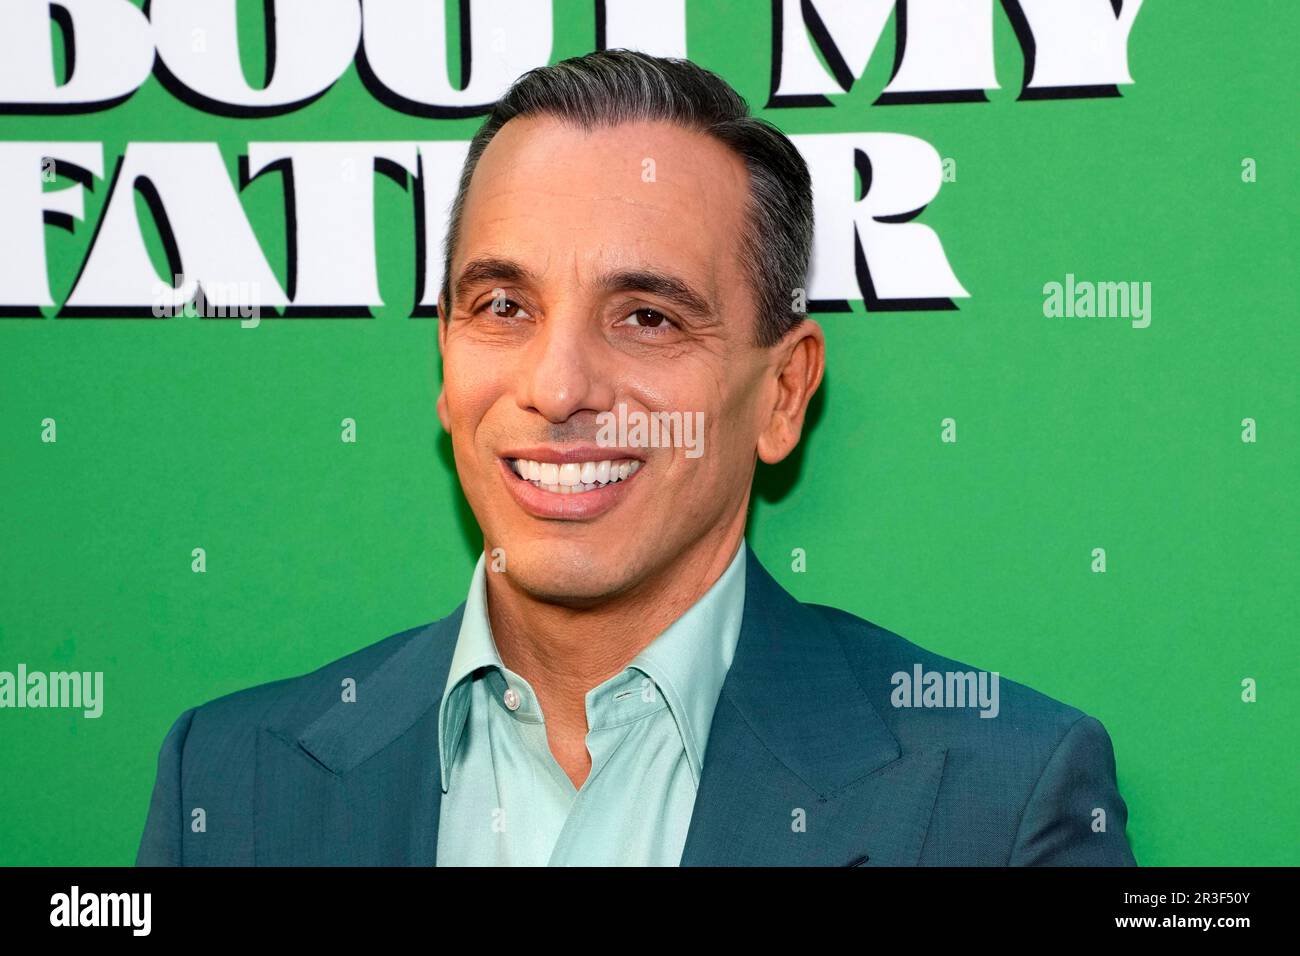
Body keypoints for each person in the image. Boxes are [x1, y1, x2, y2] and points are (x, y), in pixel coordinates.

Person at [136, 50, 1136, 866]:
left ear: (782, 392)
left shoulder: (998, 798)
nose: (558, 385)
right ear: (444, 359)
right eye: (503, 307)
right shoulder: (228, 783)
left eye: (647, 317)